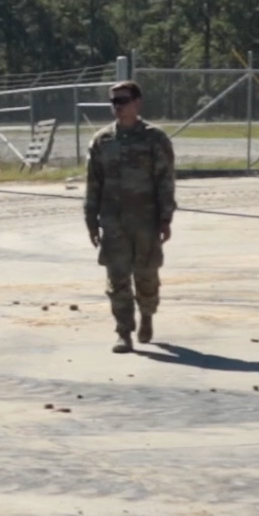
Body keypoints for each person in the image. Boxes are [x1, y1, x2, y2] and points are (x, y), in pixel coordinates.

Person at [85, 80, 177, 354]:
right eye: (113, 101)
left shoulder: (155, 139)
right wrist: (91, 220)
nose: (117, 106)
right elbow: (93, 183)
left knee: (147, 275)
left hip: (146, 221)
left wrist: (166, 217)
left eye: (123, 100)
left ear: (137, 102)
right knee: (117, 279)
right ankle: (123, 331)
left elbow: (165, 180)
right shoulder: (102, 141)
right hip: (113, 221)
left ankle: (147, 314)